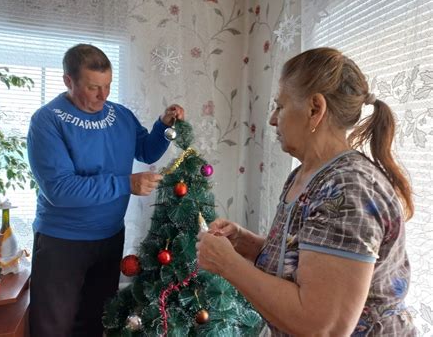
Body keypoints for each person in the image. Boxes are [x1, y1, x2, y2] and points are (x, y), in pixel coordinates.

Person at [196, 47, 416, 336]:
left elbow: (322, 327)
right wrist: (248, 244)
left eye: (281, 106)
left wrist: (228, 263)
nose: (274, 119)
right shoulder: (304, 176)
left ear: (315, 109)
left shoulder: (349, 189)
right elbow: (309, 265)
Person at [27, 43, 184, 337]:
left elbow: (146, 151)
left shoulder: (120, 115)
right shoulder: (47, 121)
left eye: (108, 85)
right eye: (93, 87)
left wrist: (164, 125)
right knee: (53, 328)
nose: (103, 95)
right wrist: (125, 184)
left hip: (110, 237)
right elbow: (60, 189)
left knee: (96, 322)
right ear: (68, 81)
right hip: (63, 242)